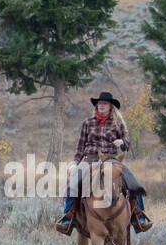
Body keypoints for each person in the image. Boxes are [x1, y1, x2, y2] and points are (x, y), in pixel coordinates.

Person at [56, 91, 151, 235]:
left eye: (105, 103)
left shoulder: (117, 123)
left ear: (110, 106)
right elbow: (80, 146)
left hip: (111, 160)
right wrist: (74, 163)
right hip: (90, 159)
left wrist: (123, 143)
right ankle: (68, 217)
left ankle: (139, 216)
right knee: (73, 183)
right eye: (99, 103)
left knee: (132, 182)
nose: (101, 105)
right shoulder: (87, 123)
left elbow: (127, 141)